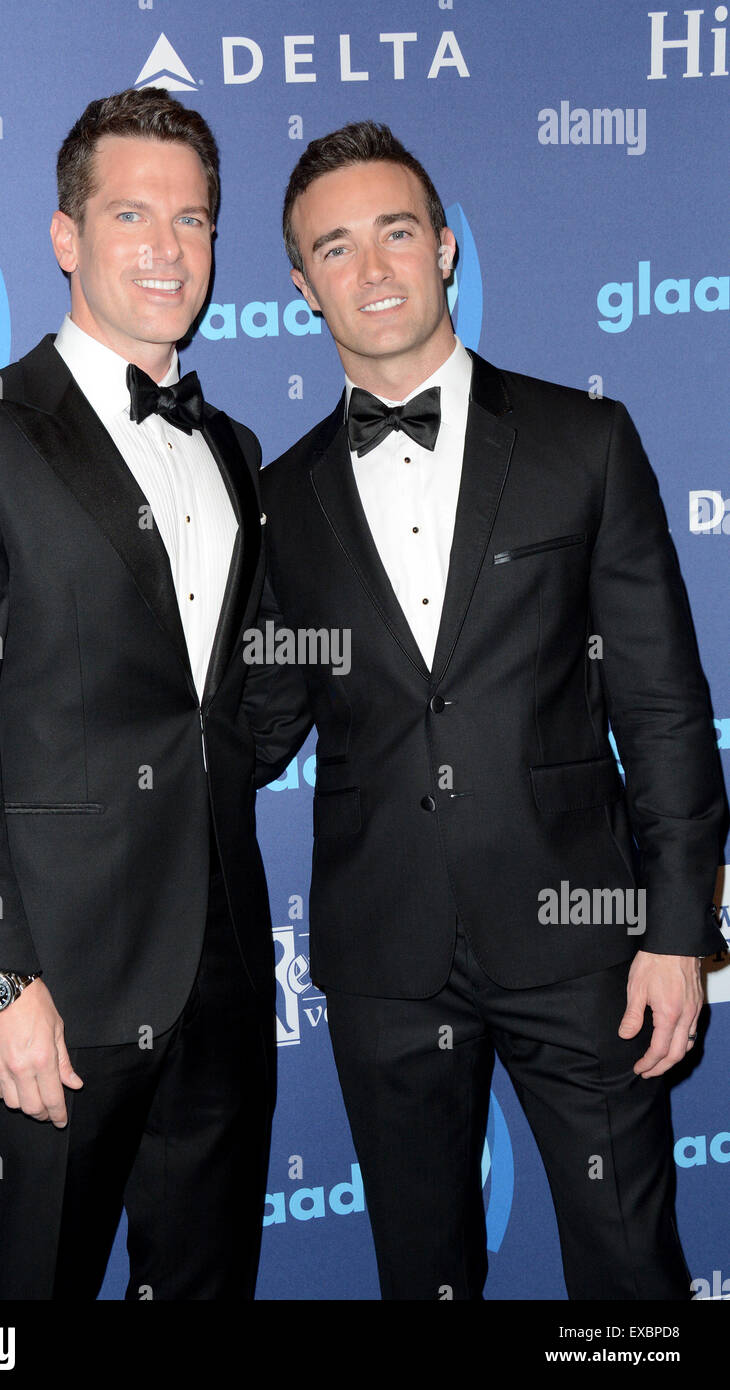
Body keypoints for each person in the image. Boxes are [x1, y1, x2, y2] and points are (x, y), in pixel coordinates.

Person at [254, 121, 727, 1299]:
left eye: (395, 232)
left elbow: (663, 709)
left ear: (445, 247)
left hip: (582, 940)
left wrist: (678, 931)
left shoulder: (581, 443)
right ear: (301, 283)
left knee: (628, 1274)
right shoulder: (277, 499)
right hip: (384, 958)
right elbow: (255, 721)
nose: (371, 268)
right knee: (422, 1273)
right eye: (334, 247)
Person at [0, 87, 277, 1301]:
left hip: (219, 975)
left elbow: (230, 706)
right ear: (65, 236)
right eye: (130, 215)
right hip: (50, 986)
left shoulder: (235, 450)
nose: (167, 248)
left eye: (192, 220)